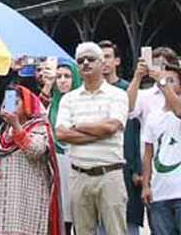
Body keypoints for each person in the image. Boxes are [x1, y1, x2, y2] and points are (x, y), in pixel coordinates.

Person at [54, 41, 129, 235]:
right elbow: (61, 134)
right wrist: (99, 131)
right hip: (79, 174)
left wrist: (78, 126)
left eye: (91, 59)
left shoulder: (118, 95)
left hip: (109, 174)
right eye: (81, 60)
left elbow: (112, 127)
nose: (85, 63)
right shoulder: (68, 99)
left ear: (102, 63)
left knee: (116, 231)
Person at [0, 86, 62, 235]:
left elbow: (35, 151)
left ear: (27, 105)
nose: (9, 106)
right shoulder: (4, 130)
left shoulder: (39, 126)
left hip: (29, 192)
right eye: (7, 102)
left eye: (16, 102)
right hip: (7, 193)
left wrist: (17, 126)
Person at [99, 40, 143, 235]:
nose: (104, 62)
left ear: (117, 61)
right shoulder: (89, 93)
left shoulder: (127, 89)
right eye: (100, 58)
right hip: (99, 162)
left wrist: (137, 168)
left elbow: (135, 131)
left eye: (108, 56)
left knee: (128, 220)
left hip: (126, 163)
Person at [140, 62, 181, 235]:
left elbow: (178, 111)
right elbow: (148, 154)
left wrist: (163, 83)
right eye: (165, 79)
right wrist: (146, 185)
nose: (166, 83)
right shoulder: (153, 117)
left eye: (172, 80)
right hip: (160, 192)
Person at [50, 61, 82, 234]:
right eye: (59, 77)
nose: (62, 81)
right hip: (57, 164)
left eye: (67, 76)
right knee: (62, 215)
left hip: (78, 162)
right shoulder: (51, 107)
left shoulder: (82, 104)